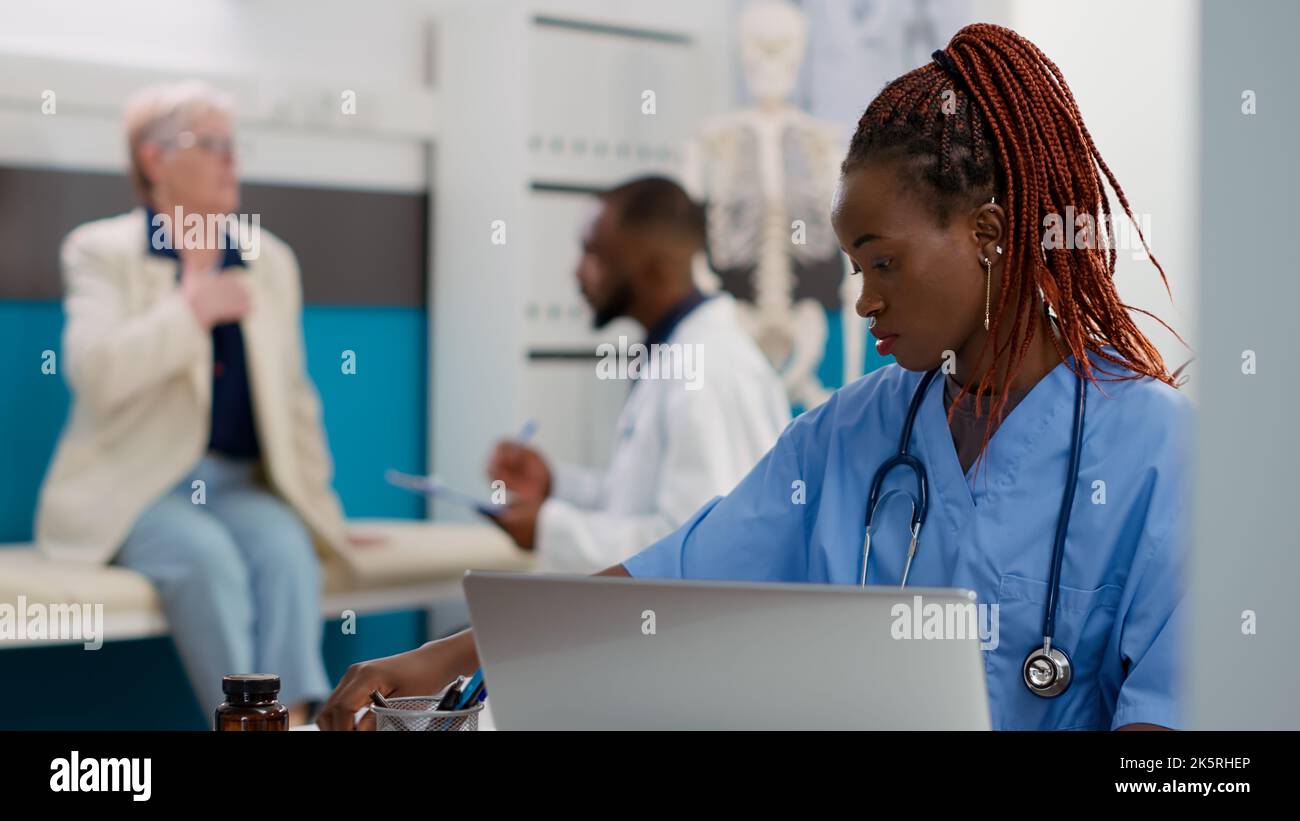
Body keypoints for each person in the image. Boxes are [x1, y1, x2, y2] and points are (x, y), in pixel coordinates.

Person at [319, 24, 1189, 731]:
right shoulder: (851, 435)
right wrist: (447, 657)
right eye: (855, 266)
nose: (863, 302)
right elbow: (665, 582)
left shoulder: (1159, 450)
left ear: (991, 235)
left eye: (884, 264)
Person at [35, 82, 370, 725]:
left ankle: (289, 719)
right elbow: (95, 371)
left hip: (240, 486)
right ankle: (242, 720)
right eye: (209, 143)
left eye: (232, 144)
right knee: (205, 557)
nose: (230, 159)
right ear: (154, 160)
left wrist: (322, 513)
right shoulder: (101, 252)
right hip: (139, 487)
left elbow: (297, 403)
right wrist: (189, 310)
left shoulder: (268, 262)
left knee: (286, 550)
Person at [485, 176, 790, 573]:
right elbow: (637, 504)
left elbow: (697, 545)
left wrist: (549, 529)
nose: (577, 274)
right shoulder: (674, 352)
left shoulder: (707, 368)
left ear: (654, 269)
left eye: (593, 254)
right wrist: (554, 485)